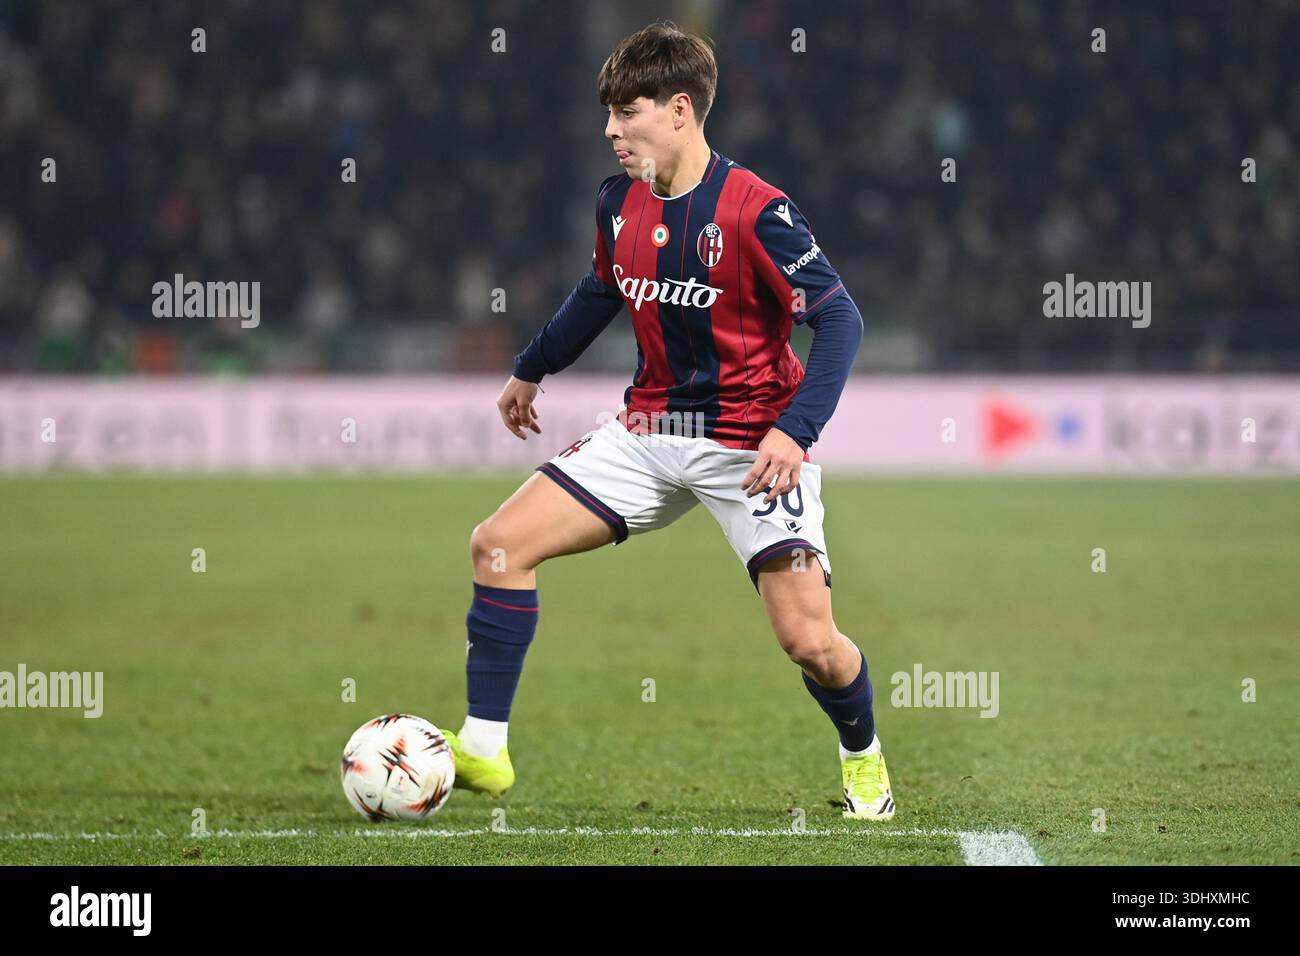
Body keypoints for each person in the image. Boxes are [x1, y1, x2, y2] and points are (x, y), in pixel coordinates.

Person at [441, 21, 894, 820]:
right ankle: (483, 747)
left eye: (628, 113)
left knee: (810, 644)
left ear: (680, 110)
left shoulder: (760, 212)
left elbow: (842, 319)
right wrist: (532, 365)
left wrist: (796, 430)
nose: (611, 132)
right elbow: (600, 291)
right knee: (498, 544)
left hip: (751, 446)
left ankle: (863, 758)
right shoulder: (618, 202)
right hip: (646, 435)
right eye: (608, 115)